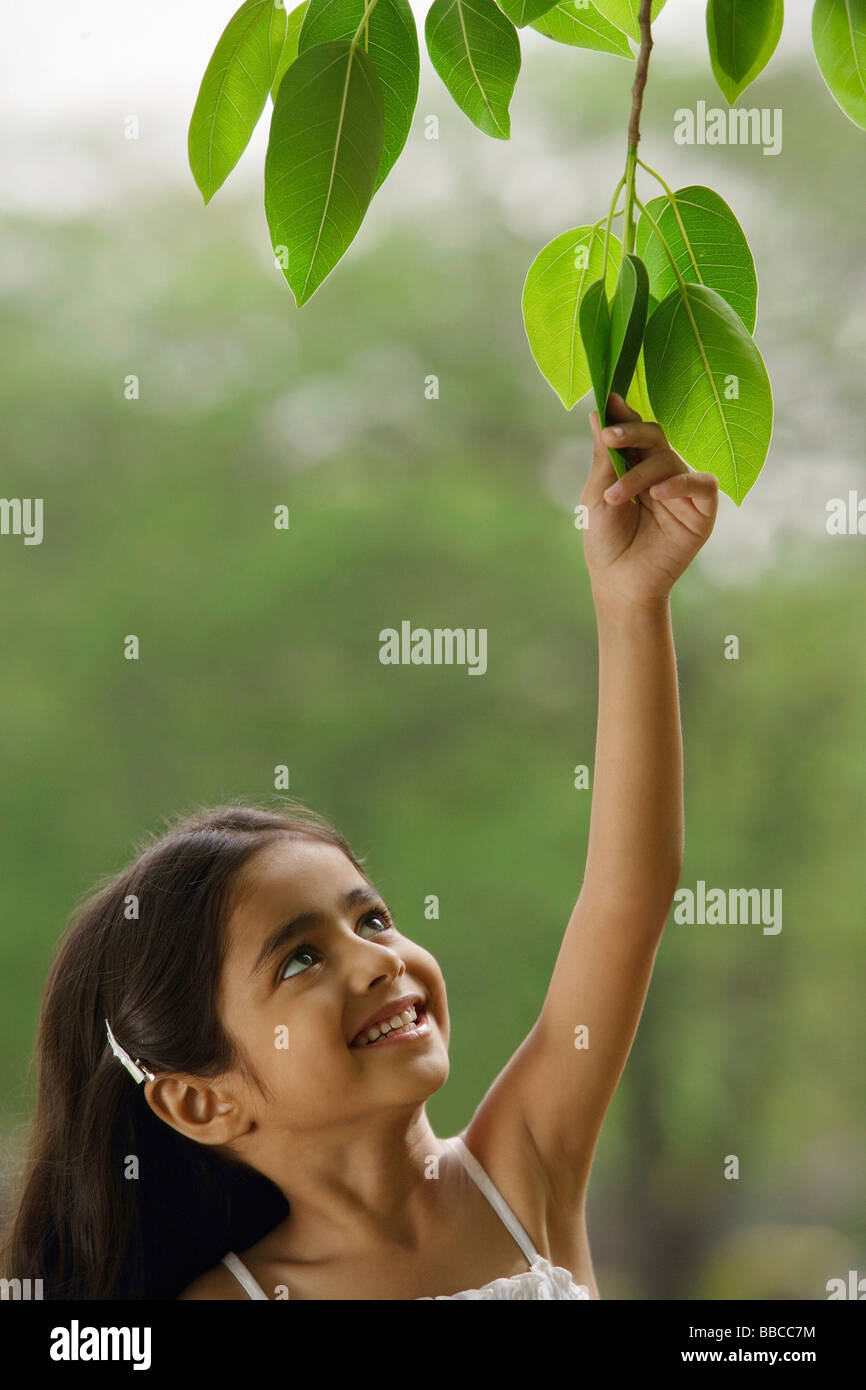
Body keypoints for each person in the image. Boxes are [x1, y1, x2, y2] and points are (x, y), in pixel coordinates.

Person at [0, 394, 719, 1299]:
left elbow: (630, 891)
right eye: (299, 960)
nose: (378, 962)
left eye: (371, 918)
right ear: (201, 1100)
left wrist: (631, 602)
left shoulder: (524, 1177)